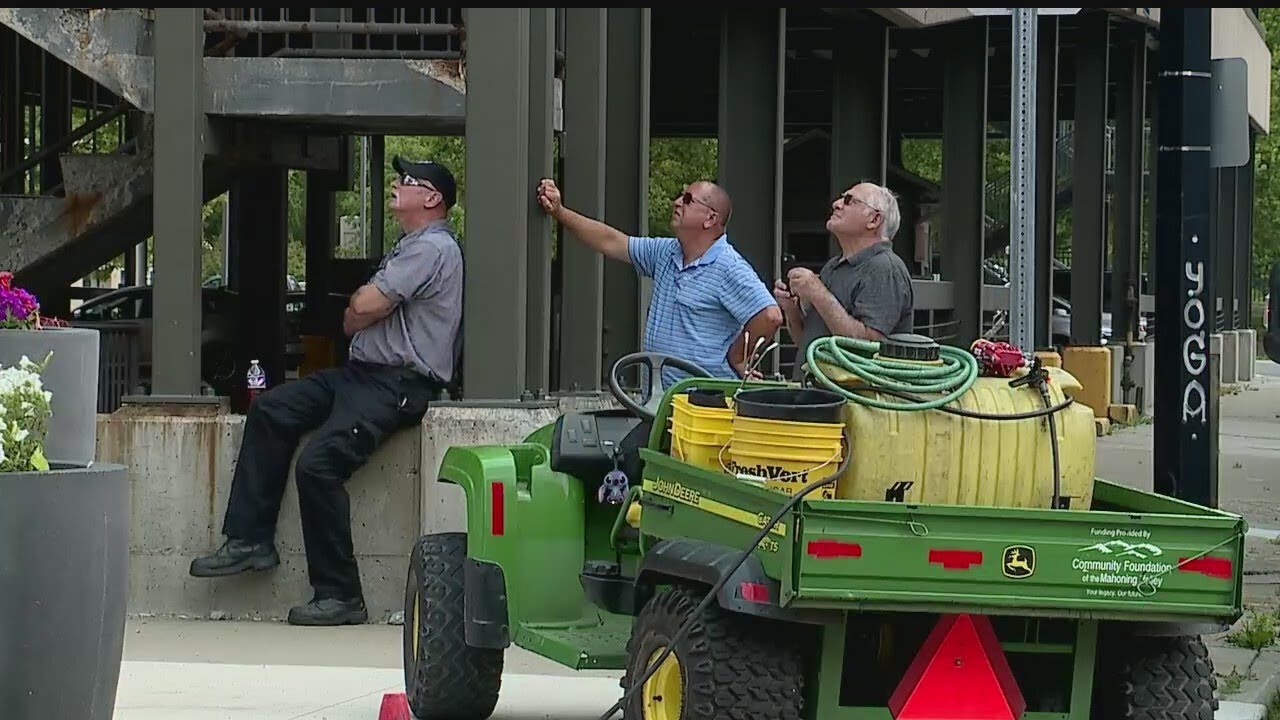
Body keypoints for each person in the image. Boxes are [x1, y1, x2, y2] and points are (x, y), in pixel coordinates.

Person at [189, 156, 464, 627]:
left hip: (397, 384)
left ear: (432, 199)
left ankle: (340, 595)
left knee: (319, 466)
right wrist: (364, 309)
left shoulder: (431, 248)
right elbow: (353, 315)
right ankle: (249, 541)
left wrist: (365, 307)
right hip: (360, 374)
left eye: (406, 182)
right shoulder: (411, 247)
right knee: (273, 409)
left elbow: (366, 303)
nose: (395, 186)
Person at [536, 177, 782, 386]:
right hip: (662, 404)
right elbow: (610, 241)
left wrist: (738, 356)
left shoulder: (729, 267)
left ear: (710, 219)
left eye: (687, 199)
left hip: (703, 409)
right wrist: (559, 211)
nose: (676, 202)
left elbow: (770, 316)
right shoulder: (666, 252)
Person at [776, 181, 914, 379]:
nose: (837, 204)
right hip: (816, 394)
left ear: (874, 220)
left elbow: (867, 348)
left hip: (852, 403)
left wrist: (817, 292)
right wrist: (791, 310)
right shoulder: (833, 266)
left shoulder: (885, 268)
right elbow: (808, 343)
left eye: (849, 201)